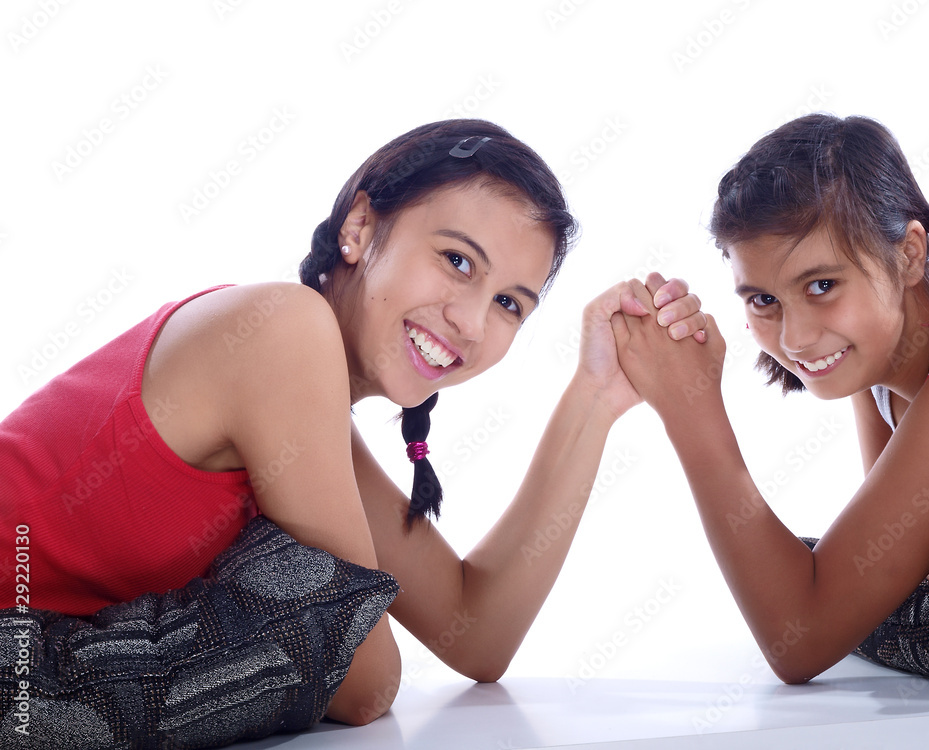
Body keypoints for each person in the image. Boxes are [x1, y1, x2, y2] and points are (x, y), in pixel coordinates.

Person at [0, 118, 707, 737]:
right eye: (457, 261)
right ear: (360, 228)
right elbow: (363, 678)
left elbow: (476, 632)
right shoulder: (282, 329)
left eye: (510, 305)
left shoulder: (310, 423)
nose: (470, 320)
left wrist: (596, 395)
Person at [612, 113, 929, 683]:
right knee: (800, 571)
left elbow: (798, 643)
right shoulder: (877, 354)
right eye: (764, 299)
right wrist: (925, 557)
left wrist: (690, 408)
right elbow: (894, 545)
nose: (795, 339)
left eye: (822, 285)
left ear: (910, 254)